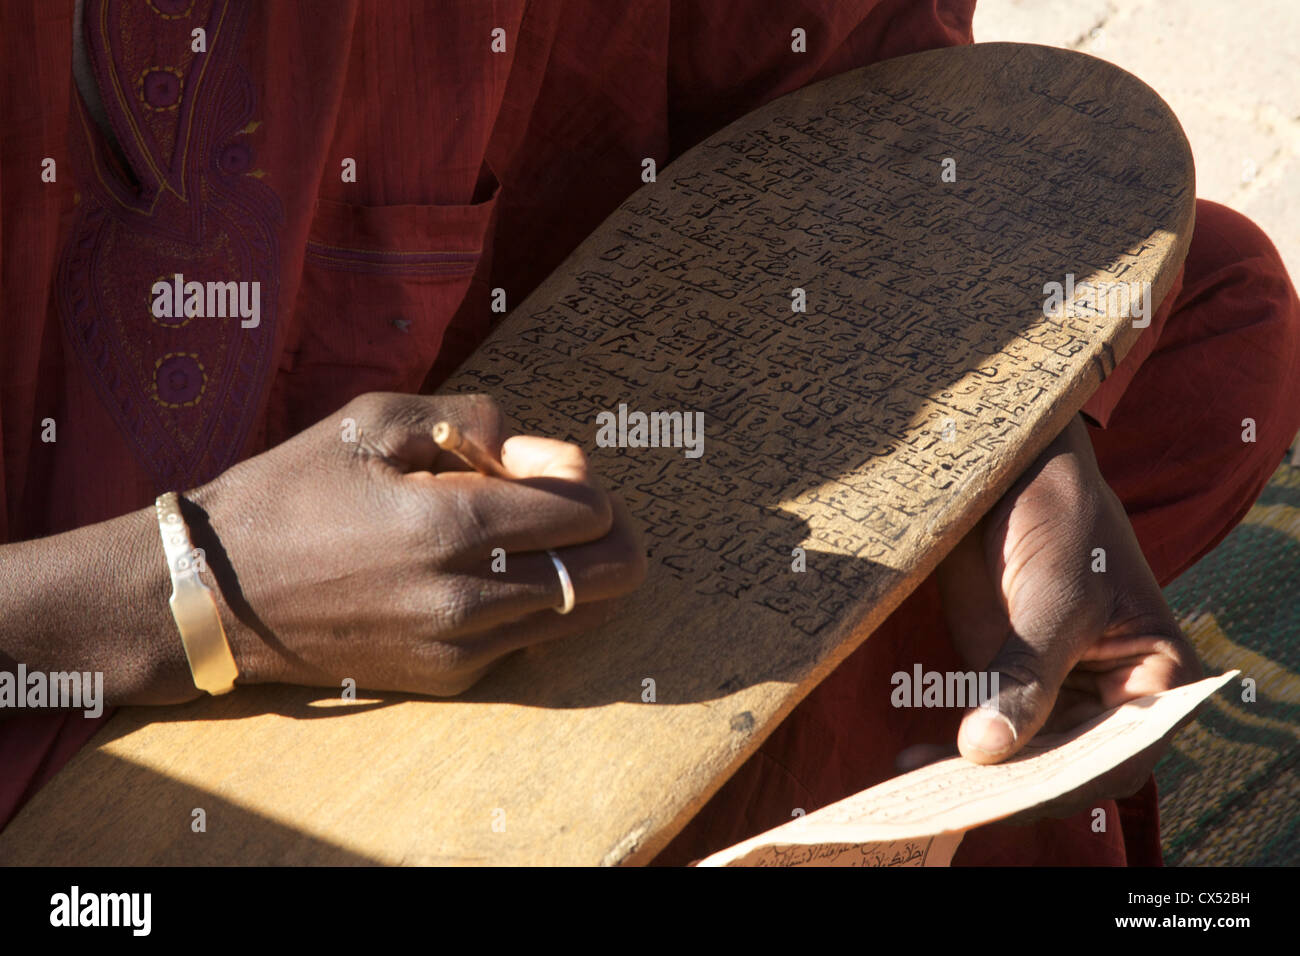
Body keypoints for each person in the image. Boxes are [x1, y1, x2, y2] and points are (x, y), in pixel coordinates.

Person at [1, 1, 1296, 867]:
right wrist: (196, 588)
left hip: (531, 503)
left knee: (1206, 317)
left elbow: (839, 76)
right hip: (80, 683)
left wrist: (1000, 445)